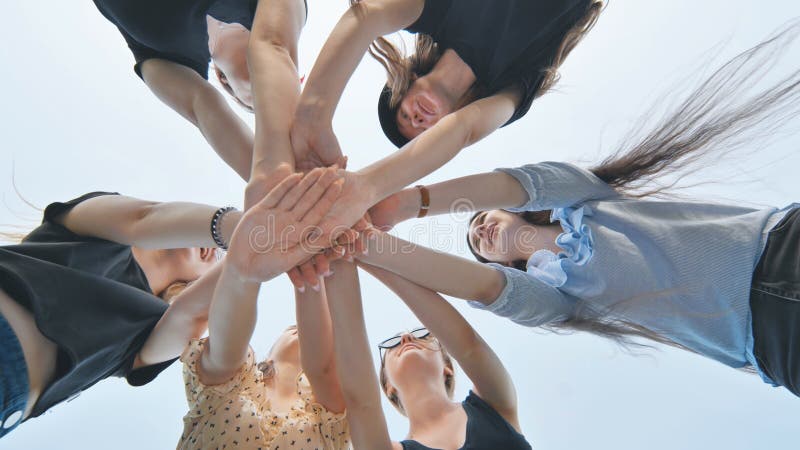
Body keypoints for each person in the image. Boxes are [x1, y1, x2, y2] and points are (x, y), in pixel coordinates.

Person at [346, 24, 800, 396]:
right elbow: (485, 288)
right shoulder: (561, 298)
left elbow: (521, 185)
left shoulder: (586, 199)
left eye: (481, 219)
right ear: (505, 264)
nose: (479, 230)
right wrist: (372, 246)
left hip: (777, 245)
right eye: (477, 244)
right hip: (772, 340)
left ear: (514, 213)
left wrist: (407, 204)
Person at [0, 167, 338, 439]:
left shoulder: (149, 330)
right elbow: (144, 219)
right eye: (219, 246)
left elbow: (195, 309)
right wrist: (252, 231)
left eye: (218, 260)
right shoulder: (90, 227)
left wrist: (270, 246)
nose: (215, 252)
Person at [176, 167, 353, 449]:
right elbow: (223, 353)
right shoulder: (225, 388)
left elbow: (322, 368)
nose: (298, 330)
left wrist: (303, 248)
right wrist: (303, 247)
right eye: (292, 328)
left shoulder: (333, 424)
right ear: (265, 357)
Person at [322, 258, 531, 449]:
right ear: (388, 387)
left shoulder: (493, 404)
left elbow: (470, 347)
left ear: (447, 368)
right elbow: (361, 403)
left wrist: (364, 254)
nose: (406, 338)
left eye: (422, 336)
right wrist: (338, 261)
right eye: (393, 345)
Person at [92, 0, 308, 182]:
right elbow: (274, 45)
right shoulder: (267, 9)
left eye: (255, 105)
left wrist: (286, 190)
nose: (267, 94)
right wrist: (292, 167)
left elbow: (204, 107)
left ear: (226, 85)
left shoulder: (165, 60)